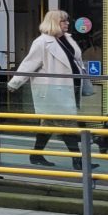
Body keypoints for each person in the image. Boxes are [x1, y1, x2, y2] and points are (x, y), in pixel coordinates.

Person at [8, 10, 92, 170]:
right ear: (53, 22)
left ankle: (36, 155)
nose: (67, 24)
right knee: (67, 124)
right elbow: (29, 64)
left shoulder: (67, 39)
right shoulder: (42, 42)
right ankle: (79, 161)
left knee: (47, 125)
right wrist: (15, 83)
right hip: (52, 90)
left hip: (69, 88)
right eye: (63, 21)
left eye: (67, 21)